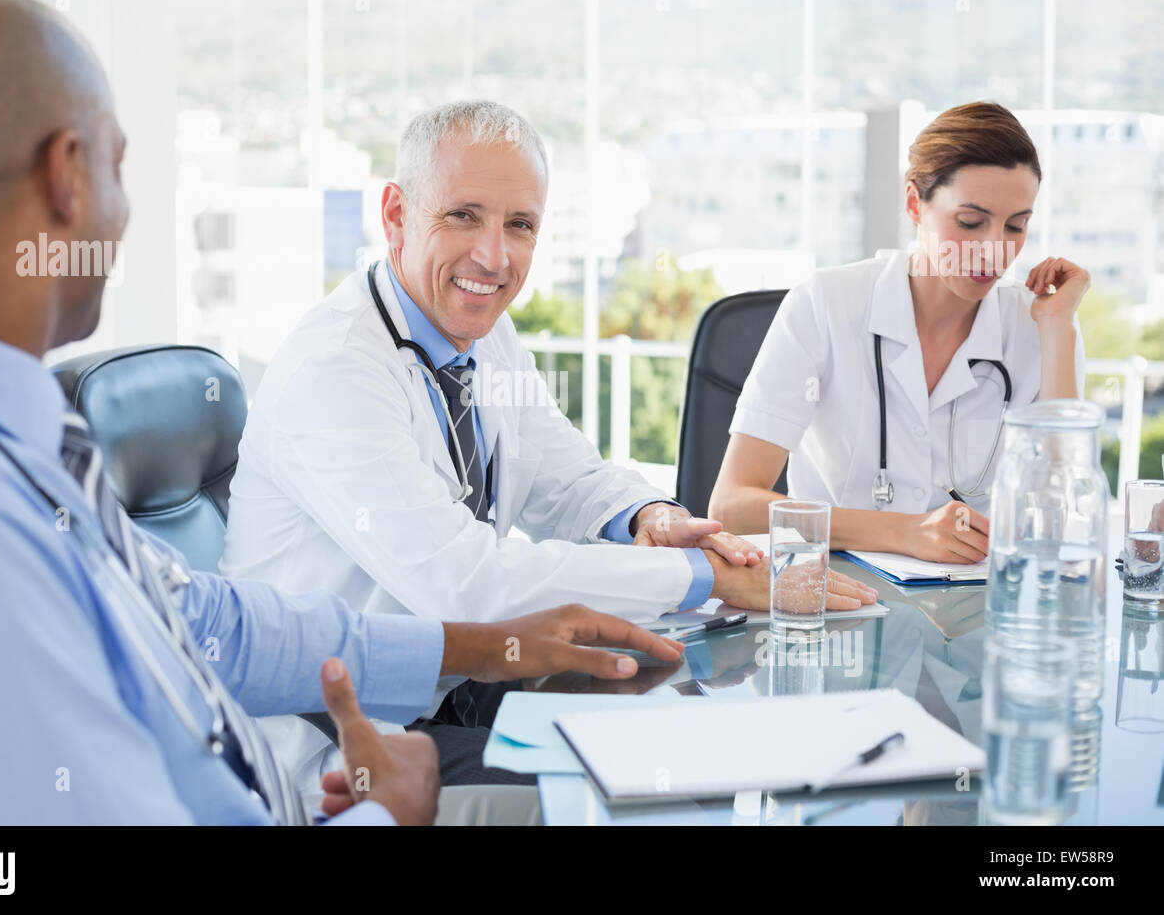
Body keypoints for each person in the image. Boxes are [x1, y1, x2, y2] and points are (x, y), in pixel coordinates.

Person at [0, 0, 687, 826]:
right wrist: (391, 814)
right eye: (120, 164)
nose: (126, 210)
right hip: (324, 777)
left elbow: (205, 620)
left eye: (519, 224)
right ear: (68, 177)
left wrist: (485, 644)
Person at [219, 99, 879, 791]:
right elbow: (468, 583)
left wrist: (650, 518)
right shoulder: (336, 368)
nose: (493, 256)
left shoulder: (480, 334)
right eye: (462, 215)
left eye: (519, 225)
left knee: (677, 724)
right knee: (630, 788)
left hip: (456, 691)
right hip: (345, 739)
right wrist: (706, 578)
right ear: (394, 215)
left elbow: (566, 475)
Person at [709, 102, 1089, 565]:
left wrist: (1058, 330)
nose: (995, 249)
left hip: (977, 611)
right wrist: (904, 532)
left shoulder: (1042, 325)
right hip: (833, 599)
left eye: (1016, 226)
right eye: (970, 222)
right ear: (915, 204)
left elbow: (1061, 517)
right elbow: (732, 506)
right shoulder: (826, 303)